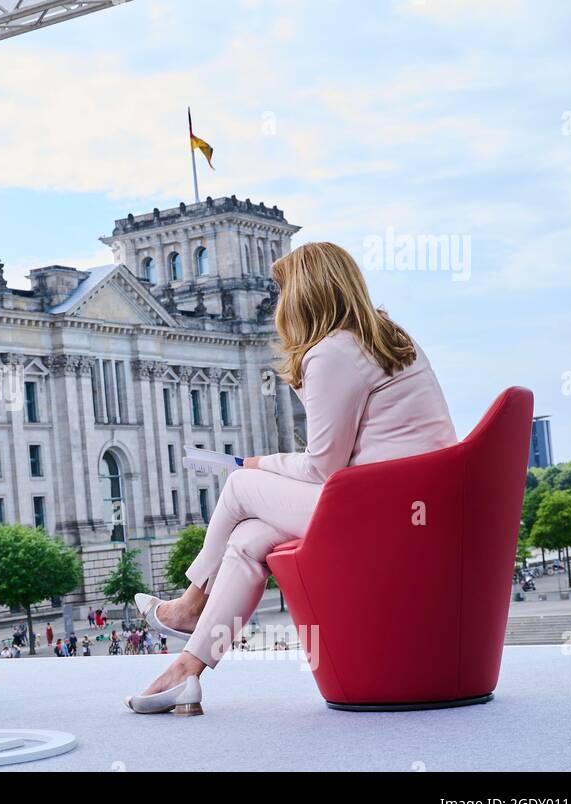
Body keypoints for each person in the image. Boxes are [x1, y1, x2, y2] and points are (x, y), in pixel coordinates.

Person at [126, 242, 458, 716]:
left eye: (282, 290)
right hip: (411, 505)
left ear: (303, 295)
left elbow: (324, 467)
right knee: (250, 538)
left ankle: (190, 601)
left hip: (380, 510)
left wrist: (256, 463)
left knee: (239, 486)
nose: (278, 302)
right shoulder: (385, 335)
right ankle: (188, 669)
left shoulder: (333, 352)